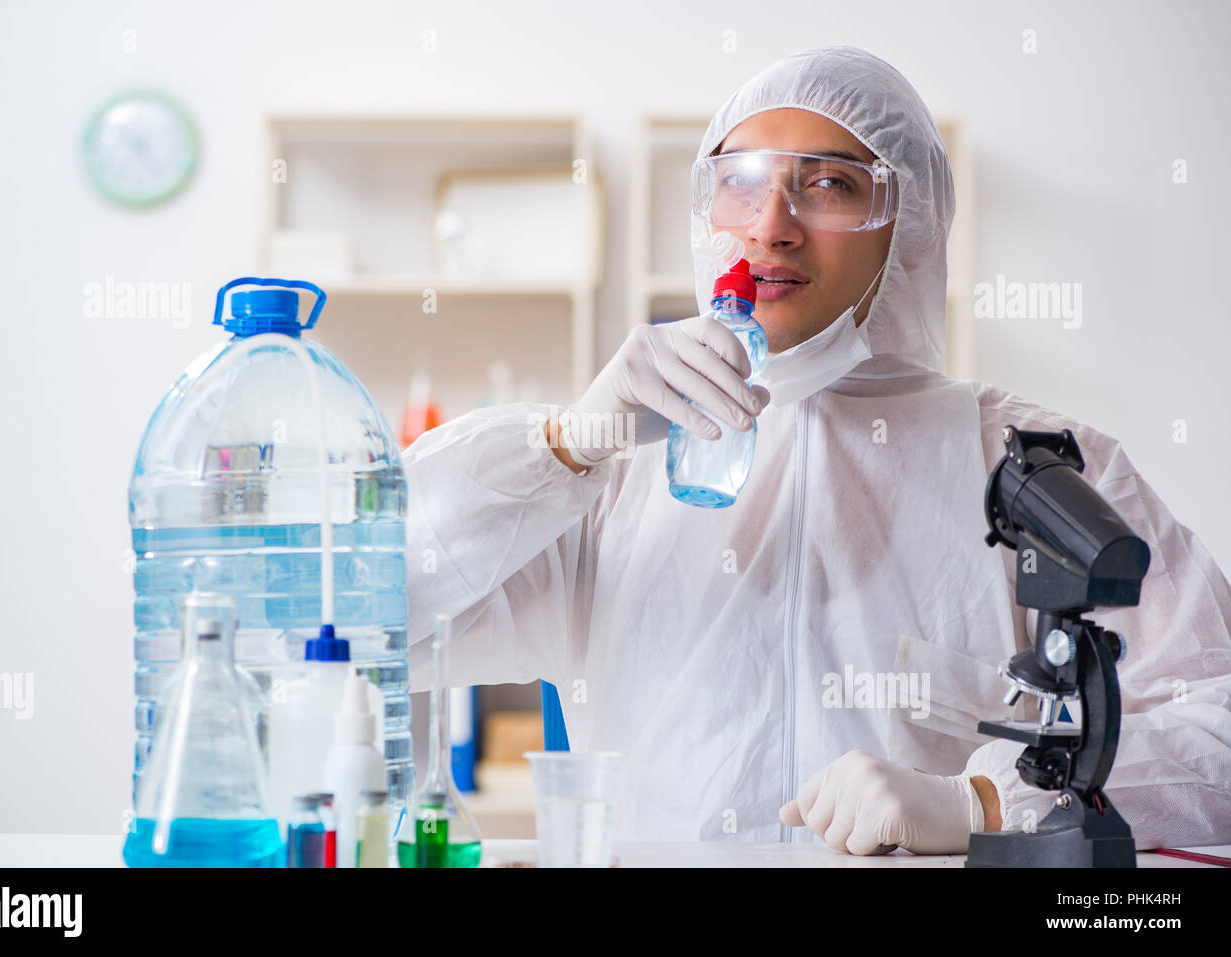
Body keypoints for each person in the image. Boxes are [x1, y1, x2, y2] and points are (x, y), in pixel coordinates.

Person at [403, 46, 1231, 852]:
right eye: (741, 182)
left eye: (829, 184)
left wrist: (984, 798)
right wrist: (562, 446)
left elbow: (1217, 726)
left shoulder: (1031, 468)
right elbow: (360, 620)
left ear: (906, 224)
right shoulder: (613, 470)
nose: (770, 227)